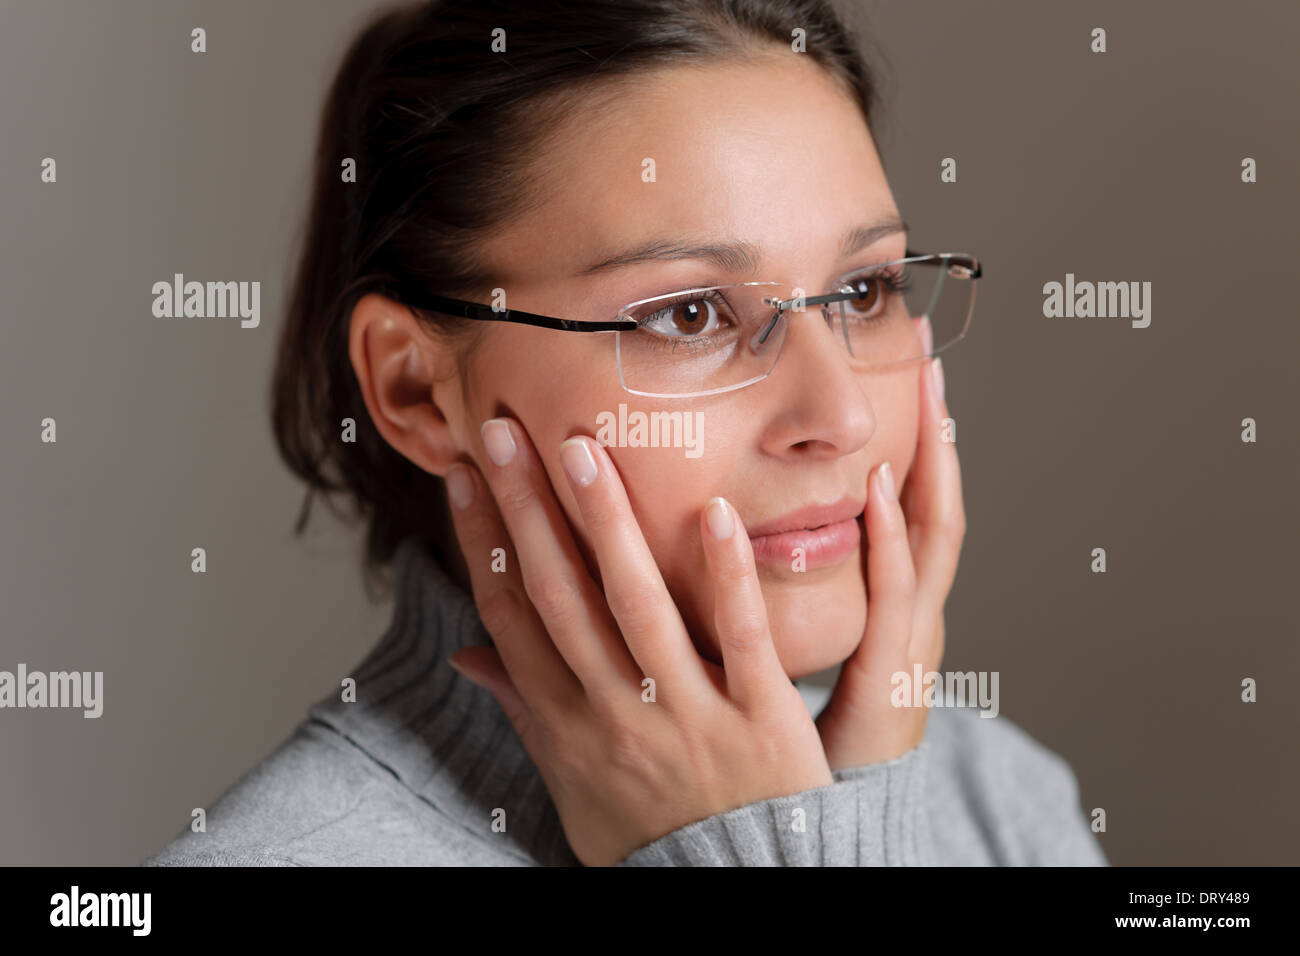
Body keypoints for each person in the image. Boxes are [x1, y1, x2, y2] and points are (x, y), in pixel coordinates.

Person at [144, 0, 1106, 866]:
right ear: (416, 391)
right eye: (689, 316)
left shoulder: (1004, 804)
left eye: (865, 290)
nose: (841, 416)